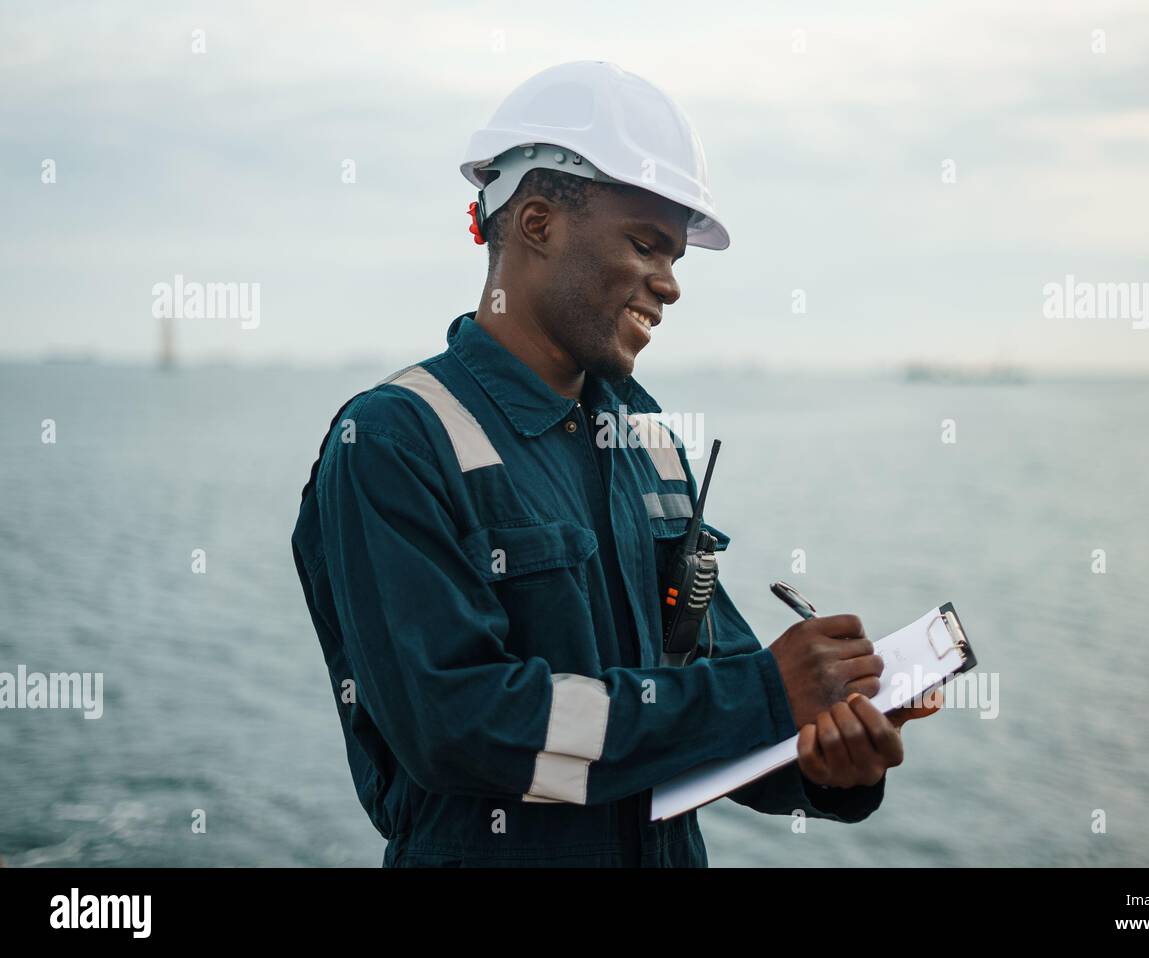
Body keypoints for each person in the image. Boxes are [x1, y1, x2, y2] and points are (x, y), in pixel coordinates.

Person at [291, 60, 938, 868]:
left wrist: (822, 753)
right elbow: (458, 727)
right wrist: (764, 694)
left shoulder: (645, 435)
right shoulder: (394, 442)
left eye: (676, 258)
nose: (668, 286)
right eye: (646, 245)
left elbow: (705, 696)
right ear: (535, 222)